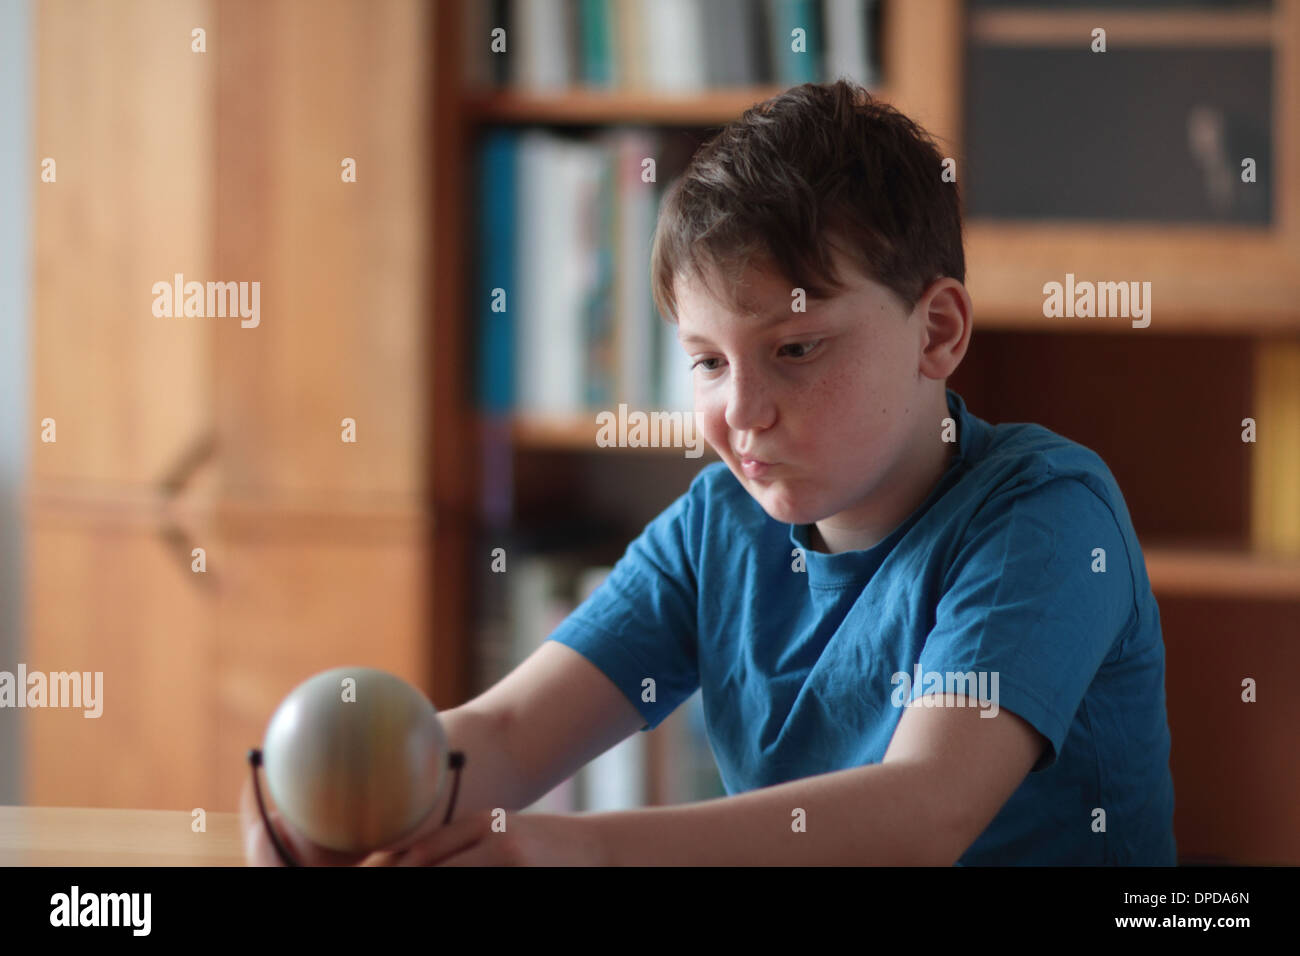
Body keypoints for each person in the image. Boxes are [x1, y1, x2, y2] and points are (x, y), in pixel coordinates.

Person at [243, 79, 1177, 866]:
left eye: (797, 349)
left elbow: (926, 812)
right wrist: (344, 804)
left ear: (936, 330)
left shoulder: (1044, 515)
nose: (742, 410)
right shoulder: (718, 528)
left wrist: (580, 850)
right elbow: (508, 736)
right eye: (707, 361)